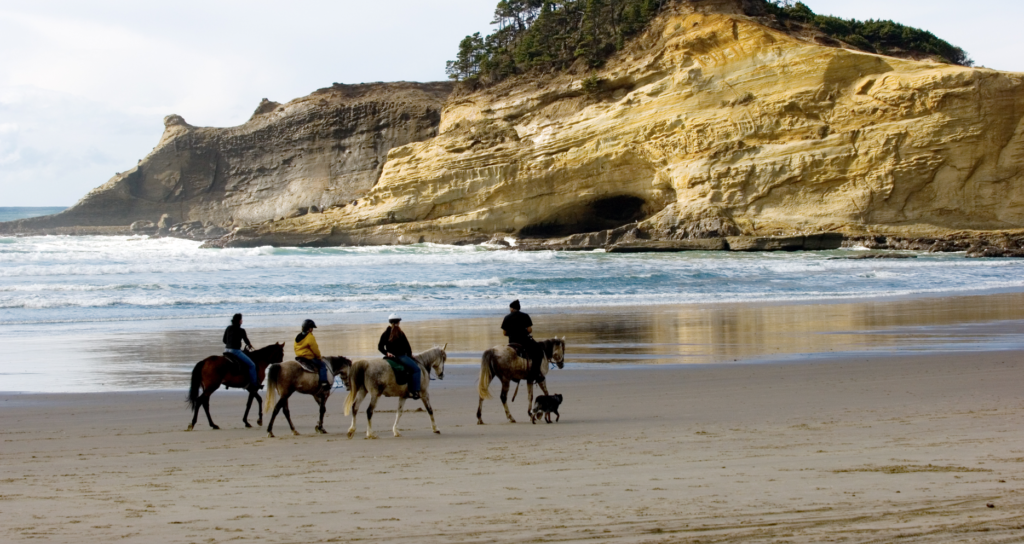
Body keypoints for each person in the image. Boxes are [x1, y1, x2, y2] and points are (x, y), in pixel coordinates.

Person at [377, 313, 421, 399]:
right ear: (398, 322)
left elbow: (380, 347)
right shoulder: (400, 333)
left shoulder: (385, 333)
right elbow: (407, 347)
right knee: (416, 370)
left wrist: (386, 353)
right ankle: (415, 391)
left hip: (389, 357)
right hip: (400, 357)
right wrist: (410, 356)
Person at [501, 299, 544, 382]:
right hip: (524, 341)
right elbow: (529, 330)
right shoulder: (525, 316)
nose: (510, 310)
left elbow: (504, 333)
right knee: (539, 352)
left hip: (512, 342)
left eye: (510, 308)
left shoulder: (507, 317)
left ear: (512, 309)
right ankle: (536, 373)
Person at [223, 313, 260, 392]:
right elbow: (246, 340)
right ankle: (254, 384)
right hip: (235, 351)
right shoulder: (241, 330)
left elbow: (224, 340)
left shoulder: (228, 328)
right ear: (239, 321)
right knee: (252, 365)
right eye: (241, 319)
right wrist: (249, 345)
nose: (242, 320)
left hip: (226, 350)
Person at [294, 319, 330, 393]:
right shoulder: (310, 337)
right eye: (312, 328)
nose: (312, 330)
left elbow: (295, 347)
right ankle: (324, 383)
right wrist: (319, 357)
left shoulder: (298, 336)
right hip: (308, 357)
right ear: (309, 328)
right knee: (322, 365)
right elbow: (315, 349)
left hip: (299, 357)